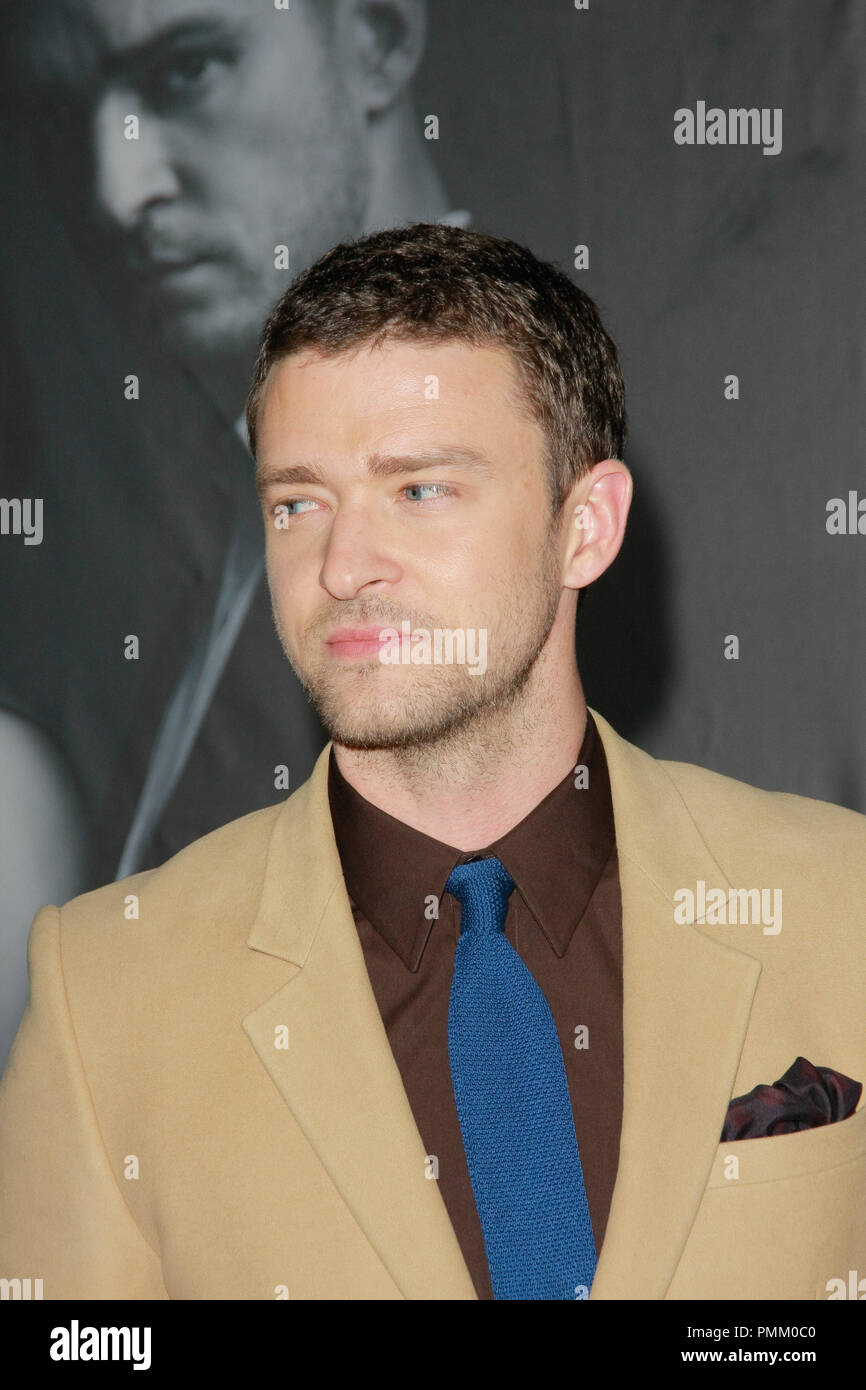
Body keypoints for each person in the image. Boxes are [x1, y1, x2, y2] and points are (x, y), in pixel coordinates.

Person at [1, 224, 863, 1300]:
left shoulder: (842, 906)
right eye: (296, 503)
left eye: (418, 490)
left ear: (583, 526)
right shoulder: (106, 994)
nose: (343, 564)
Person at [0, 0, 469, 1067]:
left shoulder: (538, 516)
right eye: (71, 112)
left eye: (188, 72)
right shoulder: (204, 538)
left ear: (379, 35)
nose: (118, 192)